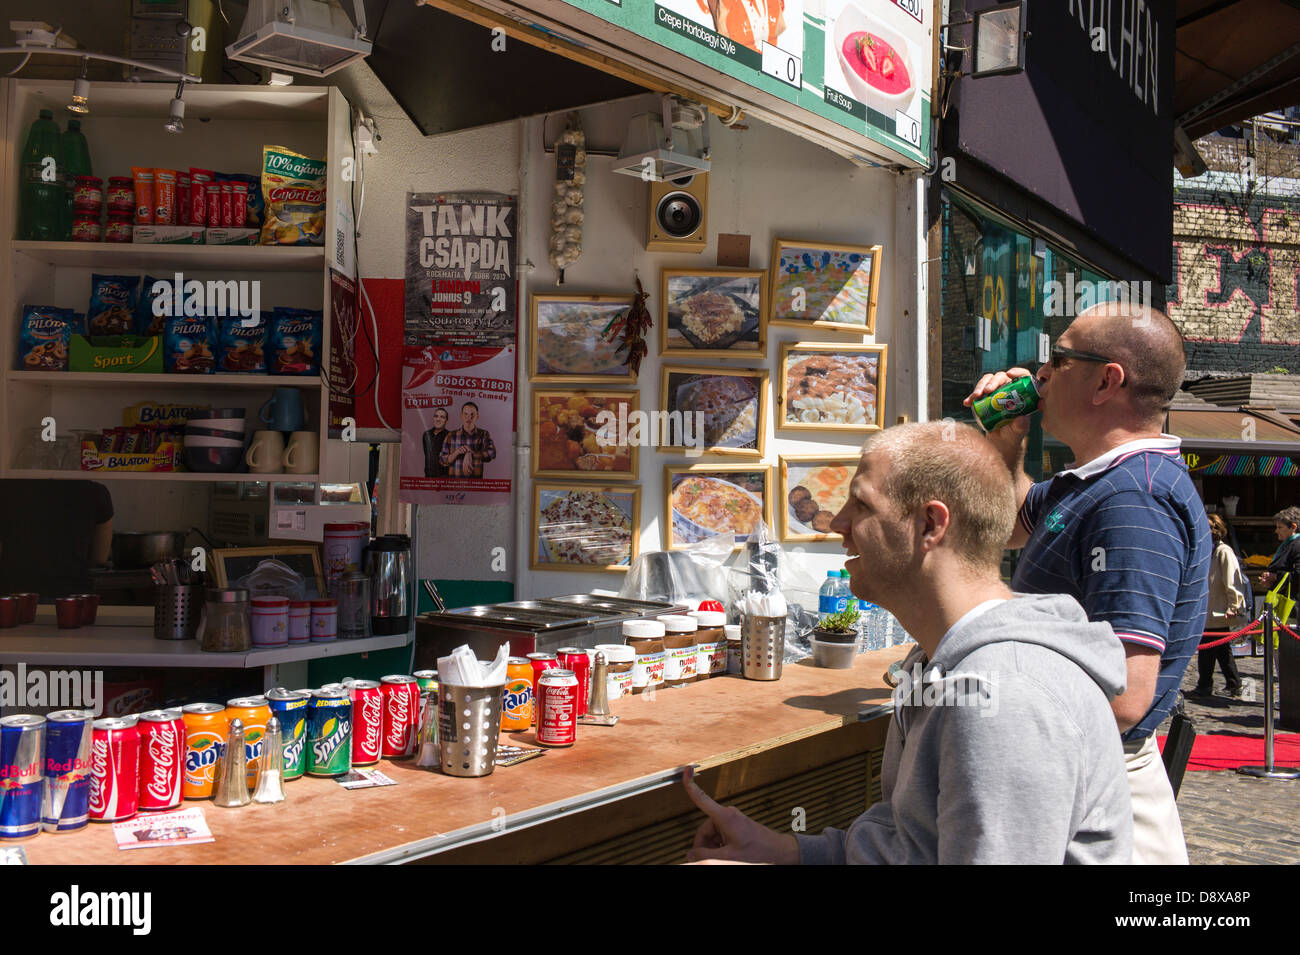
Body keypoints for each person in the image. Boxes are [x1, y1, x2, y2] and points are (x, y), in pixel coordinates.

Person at [683, 422, 1133, 864]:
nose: (837, 523)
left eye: (860, 505)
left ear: (930, 524)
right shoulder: (937, 661)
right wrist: (789, 851)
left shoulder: (1002, 695)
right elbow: (913, 848)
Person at [966, 301, 1210, 865]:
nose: (1040, 372)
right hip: (1078, 766)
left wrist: (983, 693)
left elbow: (1124, 695)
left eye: (1059, 357)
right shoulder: (1099, 481)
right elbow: (1010, 524)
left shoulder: (1133, 498)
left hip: (1095, 781)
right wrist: (1008, 438)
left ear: (1107, 381)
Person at [0, 479, 113, 597]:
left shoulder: (7, 486)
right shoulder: (96, 491)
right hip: (72, 592)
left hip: (15, 591)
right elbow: (100, 557)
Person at [1191, 513, 1245, 698]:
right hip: (1209, 607)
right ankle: (1234, 683)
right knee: (1222, 649)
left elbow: (1232, 581)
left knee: (1208, 647)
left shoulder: (1223, 552)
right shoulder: (1208, 551)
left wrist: (1234, 605)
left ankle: (1204, 685)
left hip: (1219, 609)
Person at [1259, 506, 1300, 620]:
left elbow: (1298, 575)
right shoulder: (1286, 546)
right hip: (1282, 605)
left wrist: (1275, 577)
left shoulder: (1297, 546)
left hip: (1292, 609)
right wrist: (1271, 581)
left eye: (1280, 527)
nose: (1276, 531)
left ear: (1293, 527)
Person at [439, 401, 496, 479]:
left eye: (472, 414)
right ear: (461, 416)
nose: (469, 417)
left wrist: (471, 454)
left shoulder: (483, 434)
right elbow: (442, 460)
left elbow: (492, 453)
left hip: (475, 484)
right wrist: (457, 452)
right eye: (465, 414)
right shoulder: (451, 436)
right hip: (454, 484)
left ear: (477, 416)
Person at [421, 407, 450, 478]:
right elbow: (427, 455)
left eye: (442, 417)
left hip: (445, 479)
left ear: (446, 421)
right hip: (428, 477)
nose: (438, 419)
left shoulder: (450, 436)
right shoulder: (426, 435)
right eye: (436, 416)